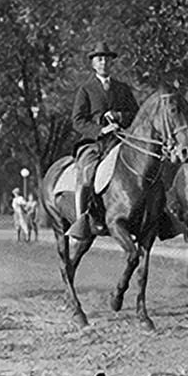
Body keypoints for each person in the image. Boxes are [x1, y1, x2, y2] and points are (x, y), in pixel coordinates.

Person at [68, 41, 139, 240]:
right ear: (93, 64)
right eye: (99, 59)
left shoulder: (122, 88)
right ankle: (82, 221)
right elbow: (78, 121)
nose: (104, 62)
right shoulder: (86, 89)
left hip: (120, 140)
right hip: (94, 143)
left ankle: (156, 217)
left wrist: (118, 116)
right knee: (88, 175)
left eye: (107, 59)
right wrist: (101, 129)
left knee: (145, 168)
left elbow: (135, 114)